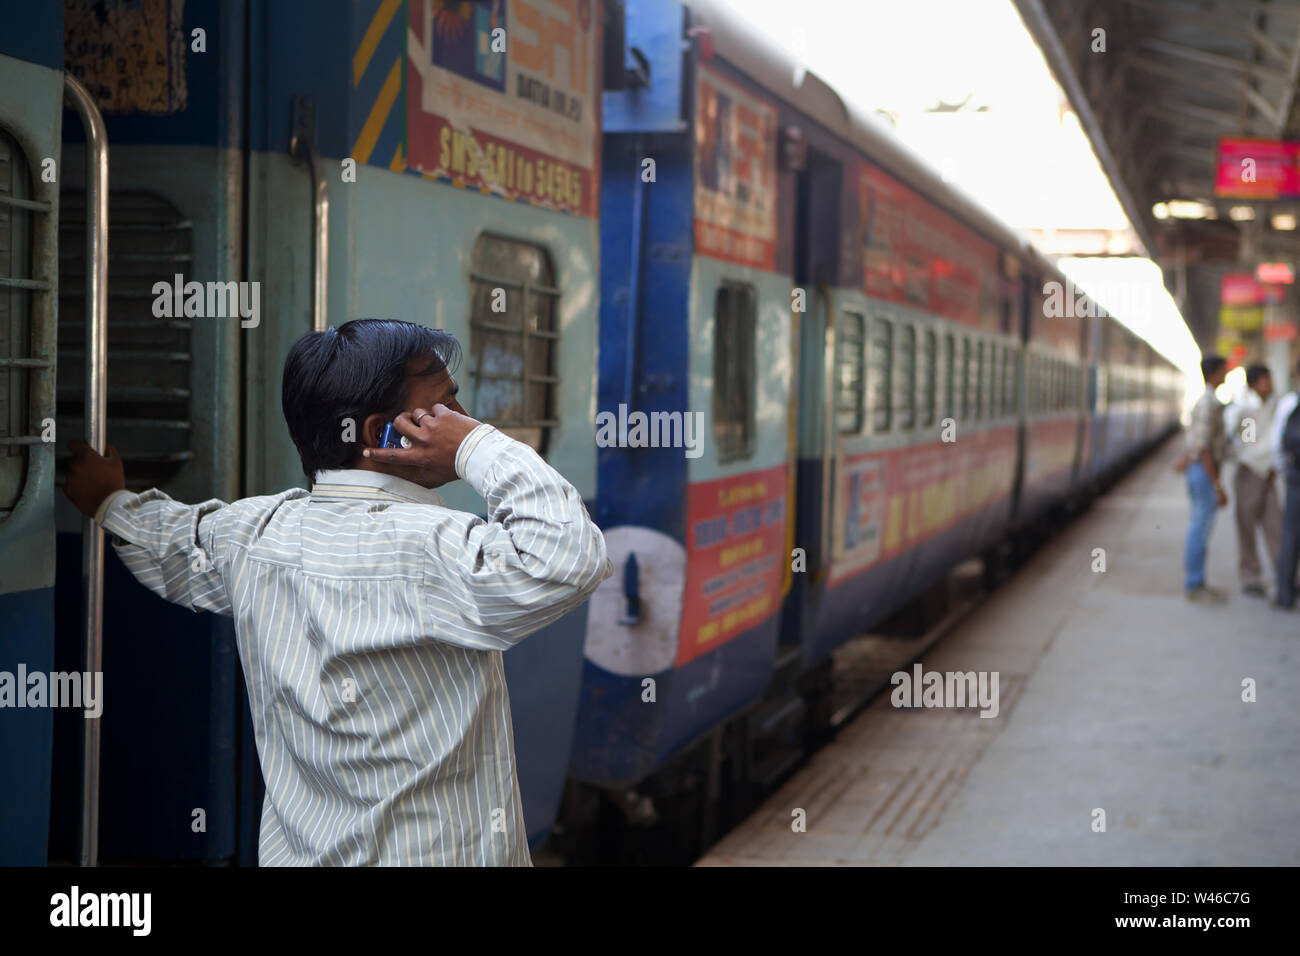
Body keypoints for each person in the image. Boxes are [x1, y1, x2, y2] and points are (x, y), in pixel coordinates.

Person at [62, 319, 612, 865]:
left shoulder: (255, 532)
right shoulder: (431, 549)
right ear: (380, 435)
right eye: (447, 408)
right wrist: (477, 449)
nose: (463, 421)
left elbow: (174, 540)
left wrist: (111, 503)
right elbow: (568, 556)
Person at [1224, 364, 1283, 597]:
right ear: (1254, 384)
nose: (1269, 385)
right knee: (1246, 526)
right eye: (1265, 380)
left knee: (1275, 526)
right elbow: (1247, 444)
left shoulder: (1277, 405)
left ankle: (1285, 574)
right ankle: (1250, 576)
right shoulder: (1246, 410)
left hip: (1268, 475)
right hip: (1251, 473)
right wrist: (1262, 462)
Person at [1183, 355, 1230, 603]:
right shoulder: (1208, 404)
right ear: (1213, 373)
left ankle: (1197, 581)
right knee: (1200, 528)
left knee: (1200, 526)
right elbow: (1203, 449)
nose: (1226, 374)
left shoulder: (1210, 402)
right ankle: (1194, 584)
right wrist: (1217, 485)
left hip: (1201, 471)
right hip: (1204, 472)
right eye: (1224, 370)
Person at [1270, 354, 1300, 611]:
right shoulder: (1246, 406)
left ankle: (1284, 595)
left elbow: (1274, 443)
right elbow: (1244, 436)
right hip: (1257, 472)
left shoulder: (1287, 402)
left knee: (1289, 535)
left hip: (1290, 477)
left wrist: (1279, 468)